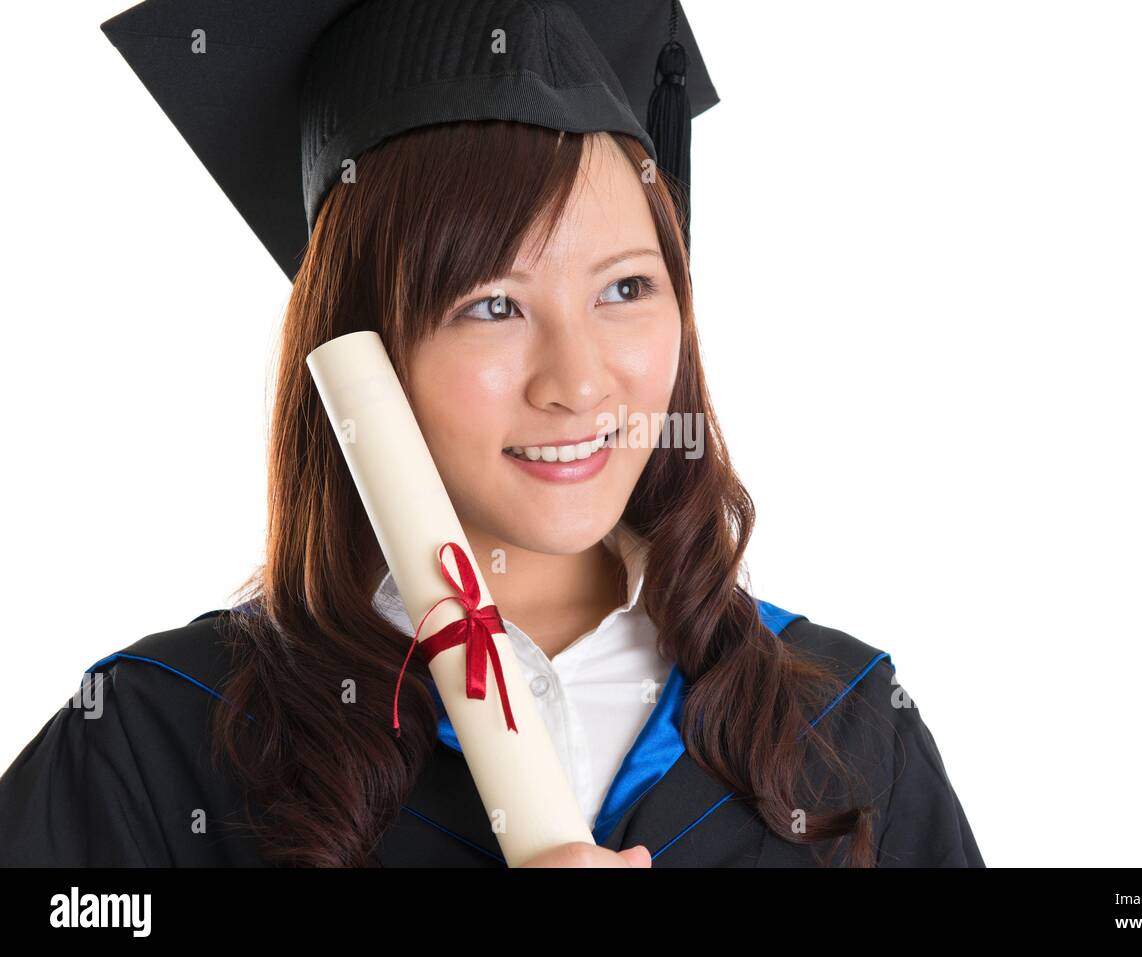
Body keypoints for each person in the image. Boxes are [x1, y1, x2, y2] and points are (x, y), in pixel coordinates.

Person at [0, 0, 984, 868]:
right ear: (357, 350)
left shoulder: (842, 731)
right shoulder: (156, 742)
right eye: (492, 305)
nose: (579, 380)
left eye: (625, 288)